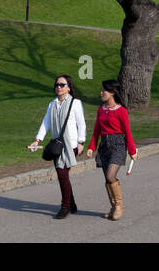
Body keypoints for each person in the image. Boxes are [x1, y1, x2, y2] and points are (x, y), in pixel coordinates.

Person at [27, 75, 86, 219]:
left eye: (62, 84)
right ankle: (70, 203)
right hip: (57, 146)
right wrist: (37, 140)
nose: (58, 87)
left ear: (69, 87)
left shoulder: (75, 103)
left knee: (62, 174)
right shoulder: (52, 104)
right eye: (57, 85)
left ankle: (65, 206)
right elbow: (46, 123)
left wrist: (81, 142)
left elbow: (81, 123)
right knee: (63, 175)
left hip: (71, 144)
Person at [85, 79, 137, 220]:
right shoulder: (101, 109)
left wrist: (132, 151)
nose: (101, 93)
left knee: (110, 176)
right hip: (104, 146)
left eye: (104, 91)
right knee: (107, 179)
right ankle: (113, 206)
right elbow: (96, 131)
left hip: (118, 145)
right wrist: (91, 147)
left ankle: (119, 206)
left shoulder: (121, 111)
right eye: (101, 90)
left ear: (112, 92)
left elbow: (127, 131)